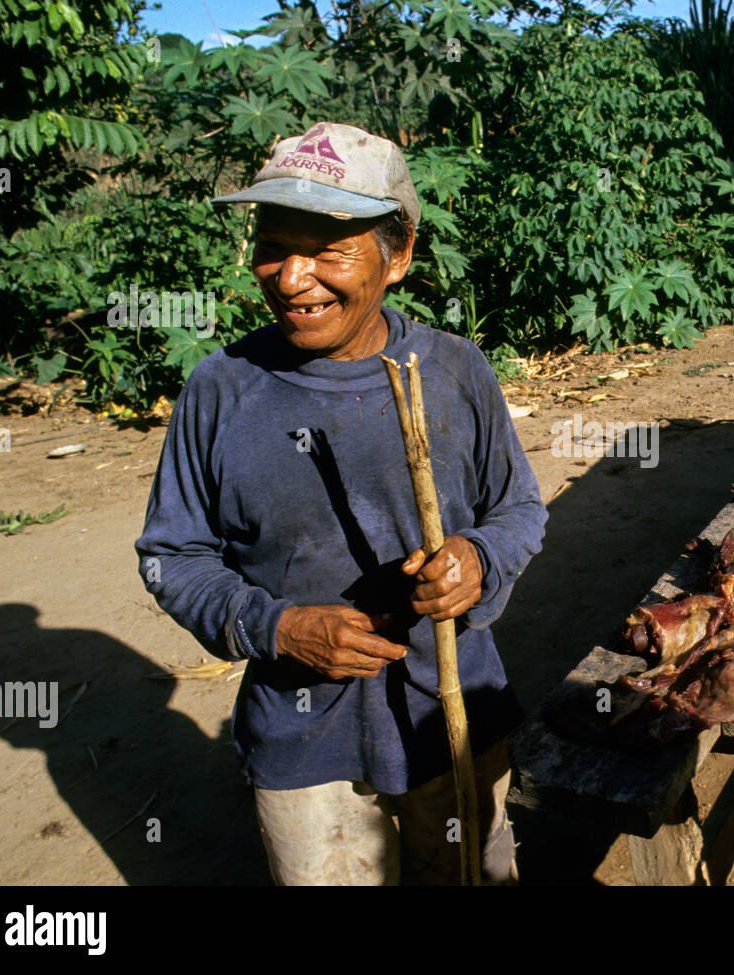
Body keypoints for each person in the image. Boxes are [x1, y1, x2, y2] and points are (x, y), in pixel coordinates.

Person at [135, 122, 547, 885]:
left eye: (327, 251)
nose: (292, 278)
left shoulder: (452, 370)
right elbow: (172, 555)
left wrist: (477, 560)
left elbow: (519, 508)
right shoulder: (221, 389)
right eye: (273, 244)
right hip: (302, 749)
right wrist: (279, 627)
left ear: (400, 255)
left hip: (450, 717)